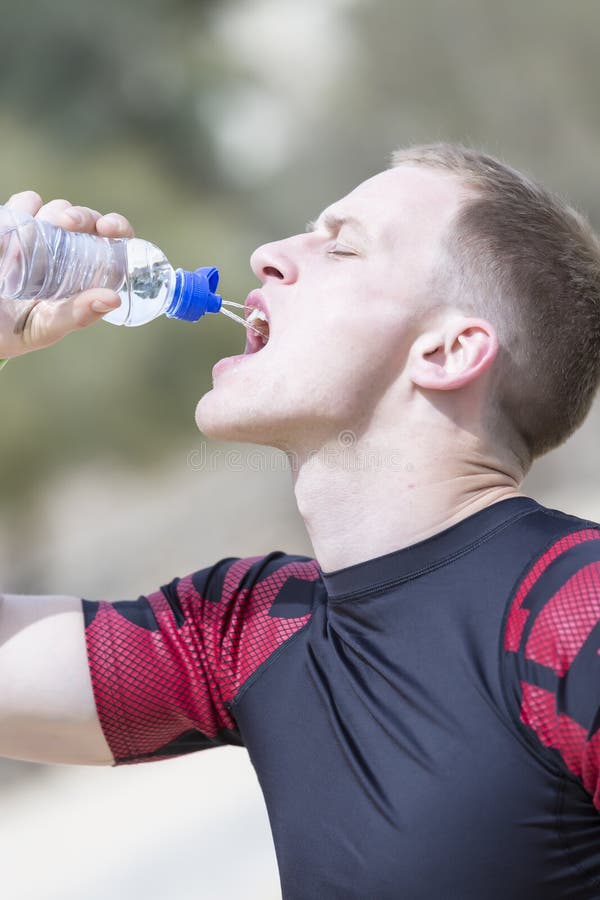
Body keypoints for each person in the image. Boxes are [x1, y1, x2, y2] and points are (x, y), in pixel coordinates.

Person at [1, 143, 600, 899]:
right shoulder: (248, 627)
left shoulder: (577, 612)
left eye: (342, 245)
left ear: (448, 351)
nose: (267, 255)